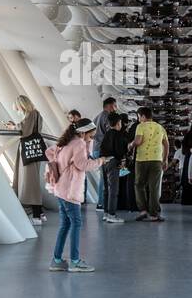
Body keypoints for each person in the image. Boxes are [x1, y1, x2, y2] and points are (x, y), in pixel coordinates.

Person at [45, 119, 108, 272]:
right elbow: (83, 165)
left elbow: (50, 152)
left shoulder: (66, 141)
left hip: (60, 189)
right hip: (70, 190)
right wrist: (101, 161)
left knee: (65, 225)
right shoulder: (79, 143)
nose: (91, 138)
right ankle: (74, 261)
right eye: (90, 135)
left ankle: (57, 260)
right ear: (82, 132)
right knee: (76, 224)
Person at [128, 105, 167, 221]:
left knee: (139, 185)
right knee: (154, 187)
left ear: (143, 116)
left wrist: (130, 145)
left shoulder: (141, 126)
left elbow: (138, 141)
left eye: (139, 117)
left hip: (142, 160)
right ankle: (154, 215)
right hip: (156, 160)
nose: (139, 119)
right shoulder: (160, 127)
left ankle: (143, 210)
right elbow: (166, 144)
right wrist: (165, 160)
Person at [10, 95, 46, 224]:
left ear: (22, 105)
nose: (18, 110)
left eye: (18, 107)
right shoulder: (36, 114)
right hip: (34, 151)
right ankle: (40, 213)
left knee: (31, 182)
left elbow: (25, 130)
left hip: (29, 152)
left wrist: (14, 127)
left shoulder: (30, 114)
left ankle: (37, 215)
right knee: (32, 181)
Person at [99, 111, 129, 223]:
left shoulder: (107, 134)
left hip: (104, 162)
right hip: (113, 162)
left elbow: (101, 148)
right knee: (114, 189)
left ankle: (106, 213)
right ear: (118, 123)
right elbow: (120, 151)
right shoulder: (118, 135)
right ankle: (112, 214)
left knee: (106, 189)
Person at [93, 96, 116, 209]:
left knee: (102, 177)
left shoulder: (97, 117)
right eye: (115, 106)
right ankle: (101, 203)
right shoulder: (107, 116)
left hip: (96, 149)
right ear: (110, 106)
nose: (116, 108)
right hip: (103, 150)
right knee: (104, 178)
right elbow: (109, 133)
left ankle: (101, 202)